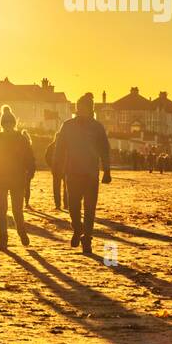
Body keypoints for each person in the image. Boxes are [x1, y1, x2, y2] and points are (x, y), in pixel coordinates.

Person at [52, 92, 112, 254]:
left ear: (90, 109)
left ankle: (87, 239)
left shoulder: (97, 127)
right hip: (72, 172)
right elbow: (59, 147)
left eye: (84, 108)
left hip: (91, 173)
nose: (81, 111)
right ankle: (77, 228)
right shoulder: (68, 125)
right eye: (79, 108)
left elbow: (104, 149)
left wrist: (107, 170)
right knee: (73, 205)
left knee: (90, 208)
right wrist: (57, 165)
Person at [0, 106, 35, 250]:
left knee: (17, 210)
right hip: (0, 180)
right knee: (2, 210)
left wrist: (30, 172)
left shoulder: (21, 139)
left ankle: (21, 232)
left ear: (14, 124)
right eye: (5, 124)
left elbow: (29, 158)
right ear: (2, 125)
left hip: (17, 180)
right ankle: (3, 239)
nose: (8, 127)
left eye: (10, 124)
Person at [43, 139, 64, 210]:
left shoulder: (51, 146)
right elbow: (47, 157)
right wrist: (51, 165)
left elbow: (46, 157)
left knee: (57, 188)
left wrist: (51, 165)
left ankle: (59, 204)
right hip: (60, 170)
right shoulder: (64, 146)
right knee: (63, 188)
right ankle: (62, 204)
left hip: (59, 170)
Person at [20, 130, 37, 210]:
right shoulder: (30, 149)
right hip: (27, 171)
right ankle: (26, 203)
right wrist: (32, 171)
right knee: (27, 187)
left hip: (20, 171)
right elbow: (32, 161)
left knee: (20, 188)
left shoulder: (17, 147)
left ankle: (22, 203)